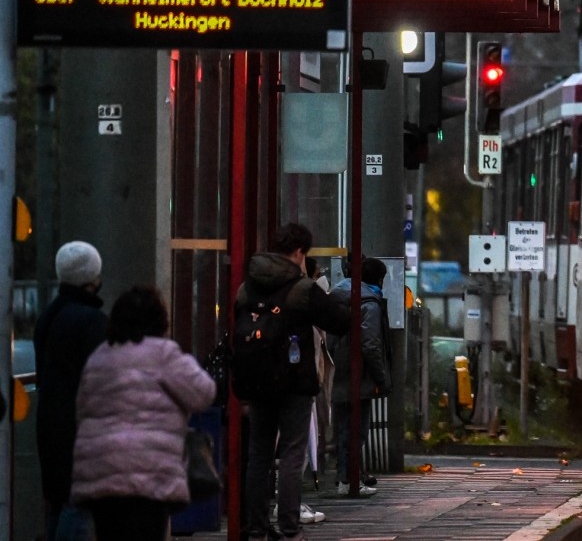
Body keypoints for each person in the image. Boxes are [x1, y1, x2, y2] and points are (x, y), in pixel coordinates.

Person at [70, 285, 215, 541]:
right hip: (149, 477)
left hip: (102, 475)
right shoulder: (163, 354)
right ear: (159, 320)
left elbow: (82, 410)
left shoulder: (98, 358)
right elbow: (203, 393)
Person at [235, 223, 349, 541]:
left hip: (256, 381)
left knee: (258, 453)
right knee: (291, 452)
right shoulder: (302, 289)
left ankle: (256, 527)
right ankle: (289, 527)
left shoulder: (247, 287)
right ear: (299, 253)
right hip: (294, 382)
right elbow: (338, 320)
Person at [35, 240, 108, 541]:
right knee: (78, 504)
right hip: (80, 428)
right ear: (94, 277)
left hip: (50, 422)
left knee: (58, 500)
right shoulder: (92, 321)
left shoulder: (49, 316)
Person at [329, 258, 392, 497]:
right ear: (379, 279)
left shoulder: (337, 295)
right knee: (357, 430)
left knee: (343, 427)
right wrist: (382, 378)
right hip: (358, 373)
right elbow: (371, 345)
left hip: (337, 369)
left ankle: (345, 476)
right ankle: (348, 479)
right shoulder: (370, 304)